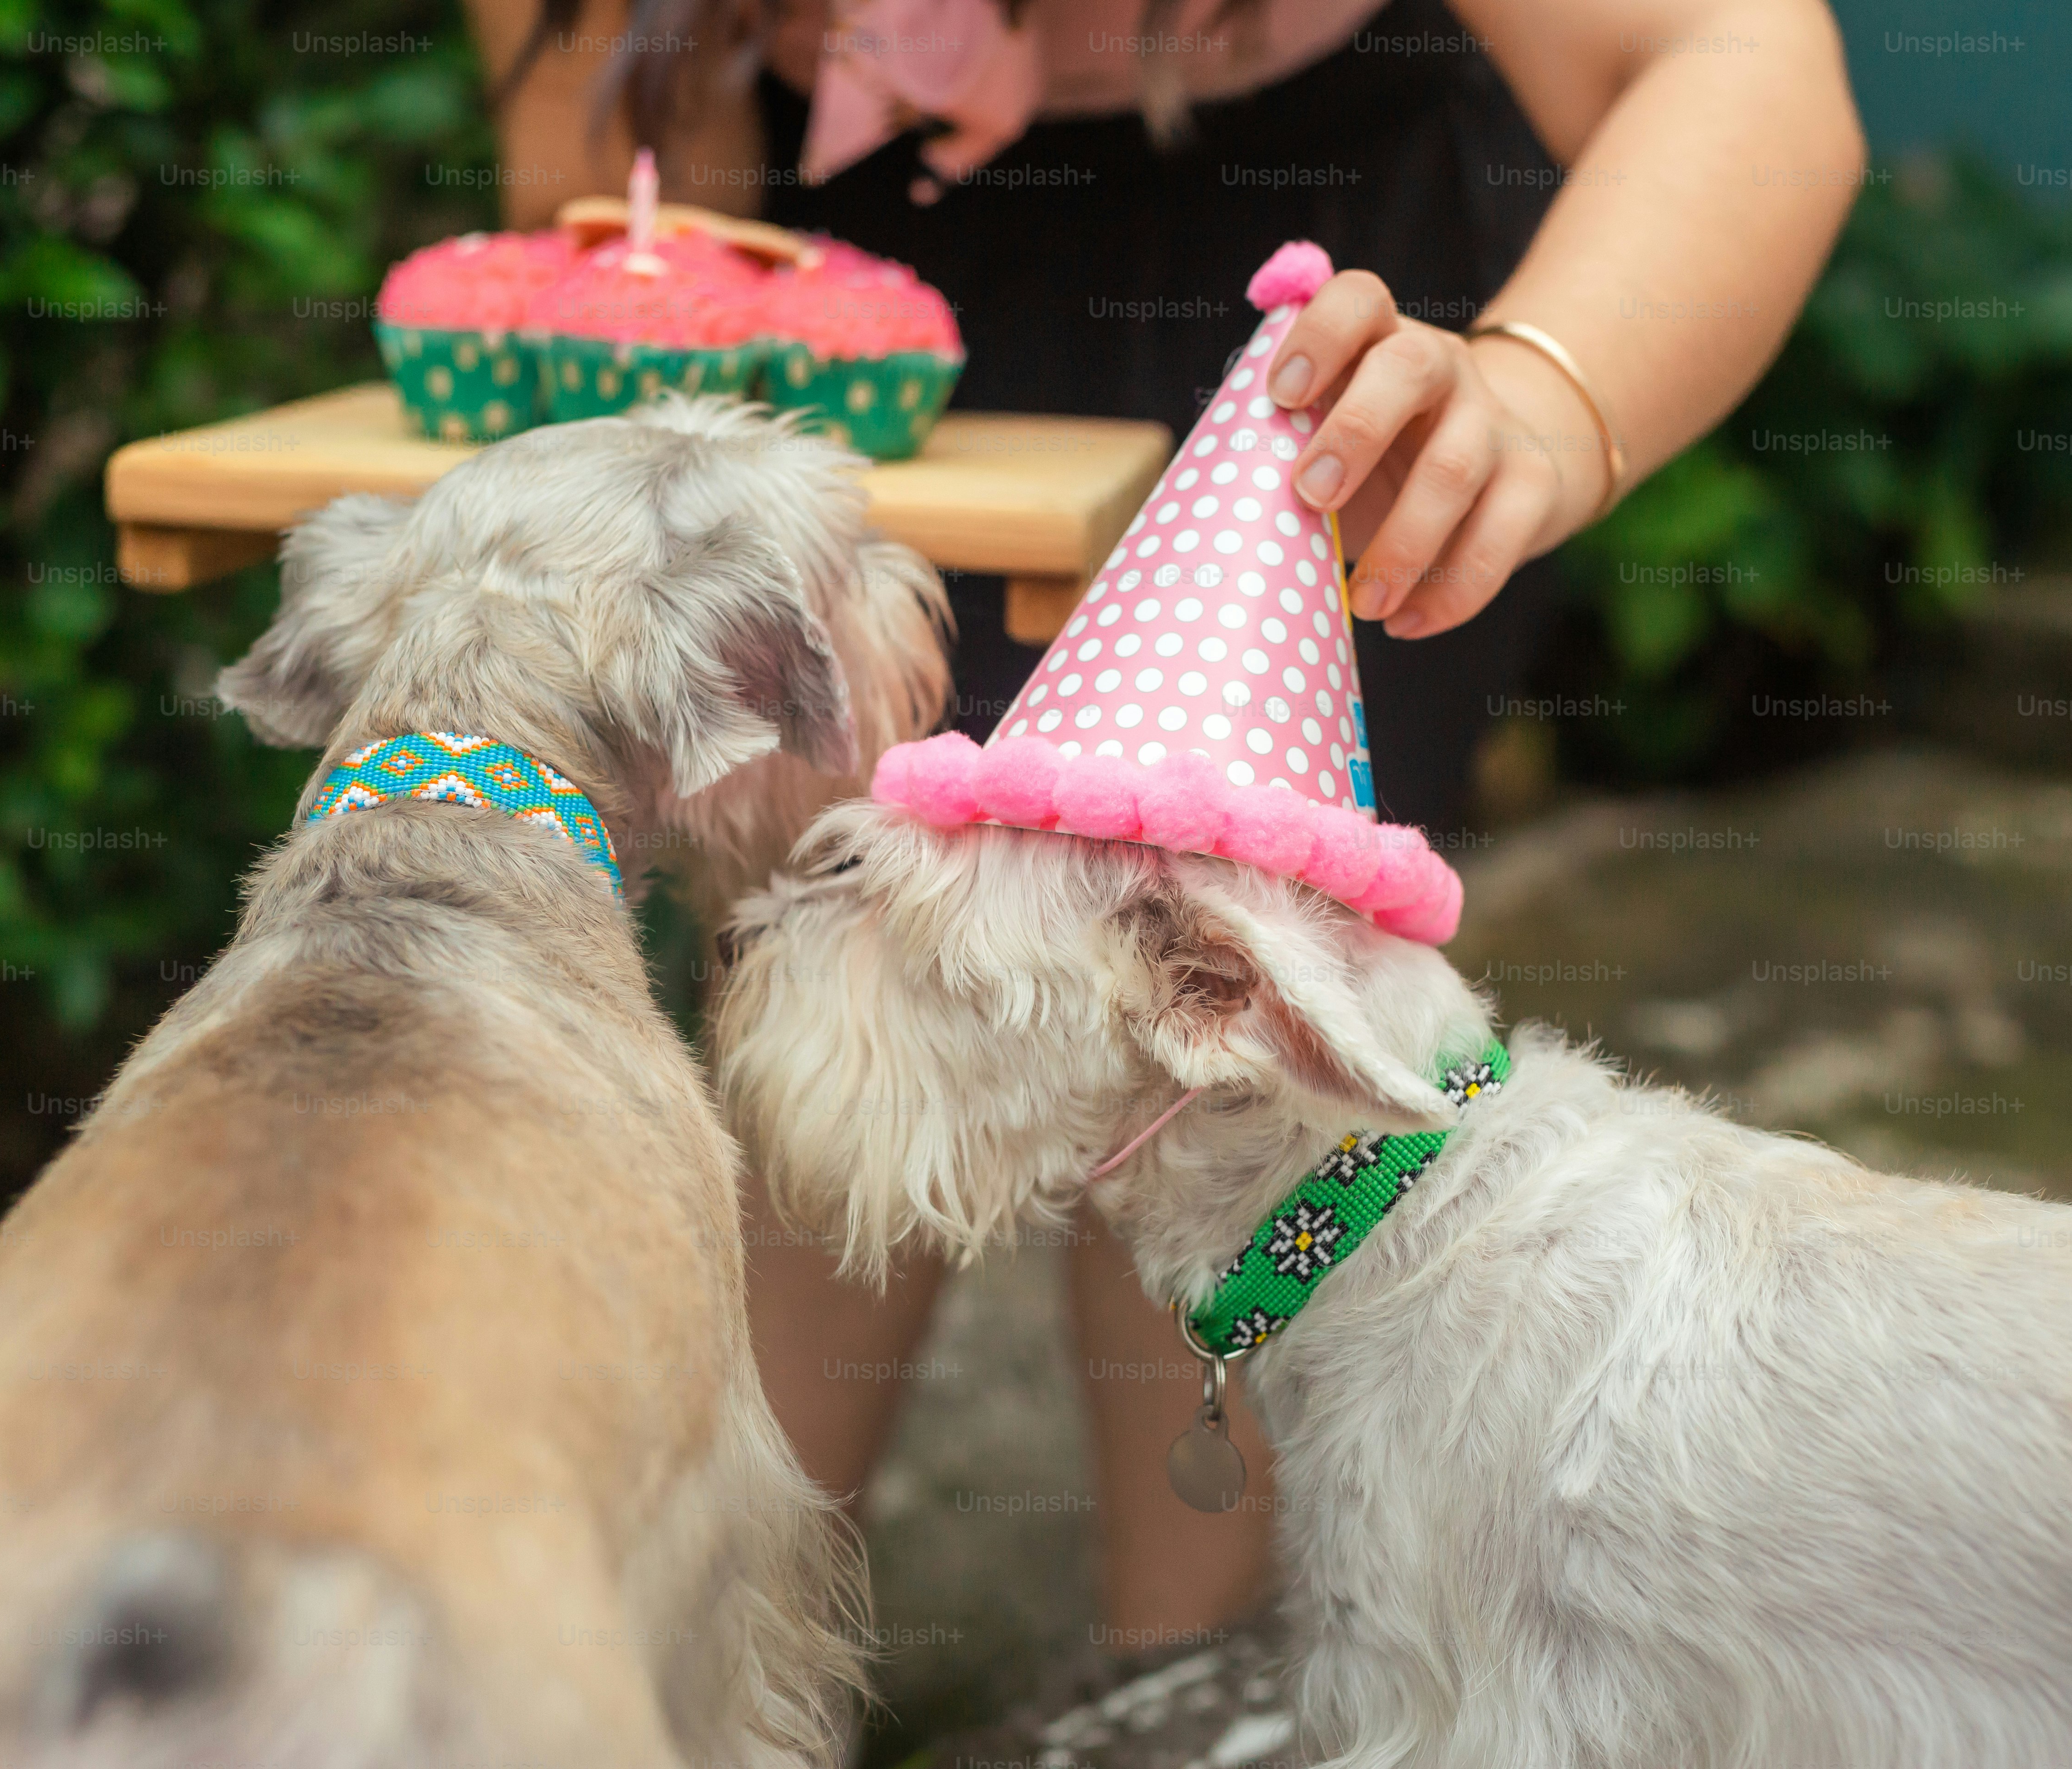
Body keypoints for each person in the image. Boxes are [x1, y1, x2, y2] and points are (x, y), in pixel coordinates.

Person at [468, 0, 1863, 1643]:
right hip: (875, 288)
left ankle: (1185, 1691)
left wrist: (1543, 409)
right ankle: (683, 1678)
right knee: (819, 975)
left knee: (1214, 1095)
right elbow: (626, 148)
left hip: (1336, 303)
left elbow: (1730, 53)